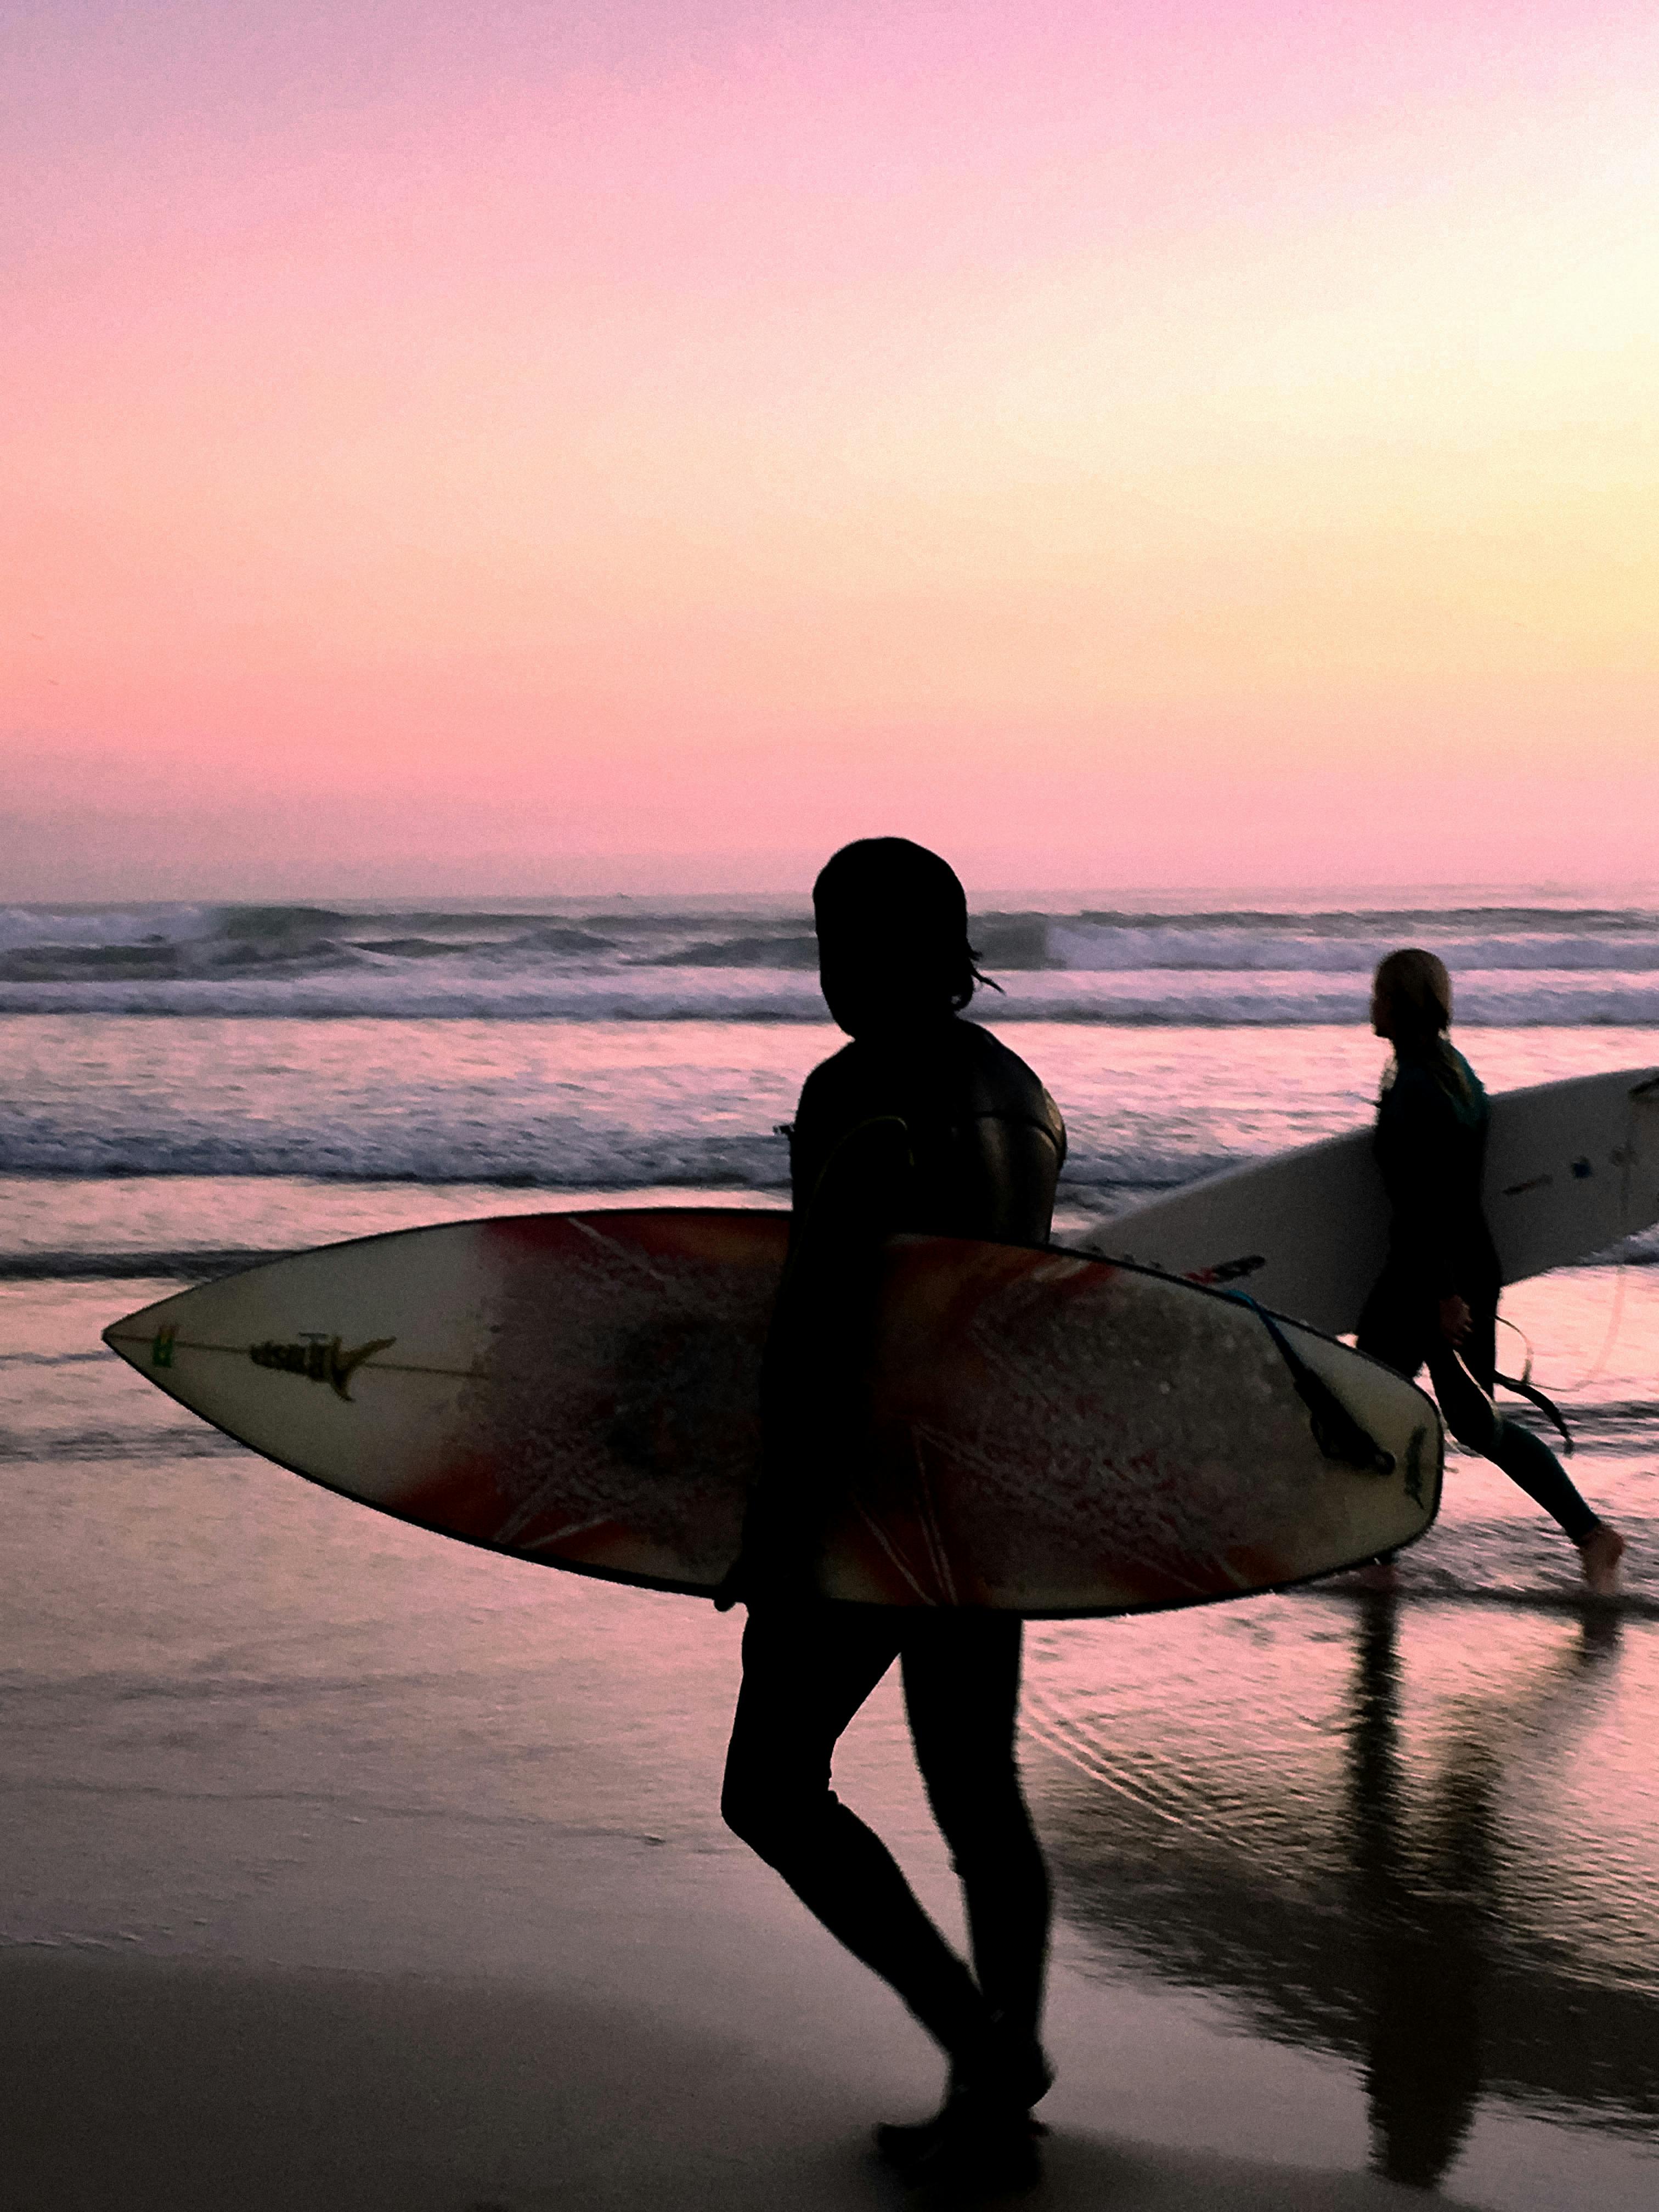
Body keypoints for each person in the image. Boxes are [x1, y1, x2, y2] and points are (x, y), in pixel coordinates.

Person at [718, 838, 1066, 2191]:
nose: (825, 968)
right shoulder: (1024, 1097)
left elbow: (824, 1325)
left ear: (883, 950)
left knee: (772, 1789)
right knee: (980, 1799)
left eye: (836, 940)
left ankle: (980, 2046)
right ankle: (1001, 2093)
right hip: (985, 1490)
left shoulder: (857, 1091)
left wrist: (771, 1518)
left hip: (869, 1494)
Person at [1357, 949, 1624, 1595]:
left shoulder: (1417, 1088)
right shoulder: (1453, 1073)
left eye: (1379, 994)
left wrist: (1446, 1294)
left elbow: (1430, 1198)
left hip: (1429, 1272)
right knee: (1468, 1422)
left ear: (1401, 1004)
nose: (1371, 1004)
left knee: (1370, 1401)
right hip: (1465, 1262)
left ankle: (1381, 1560)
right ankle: (1591, 1537)